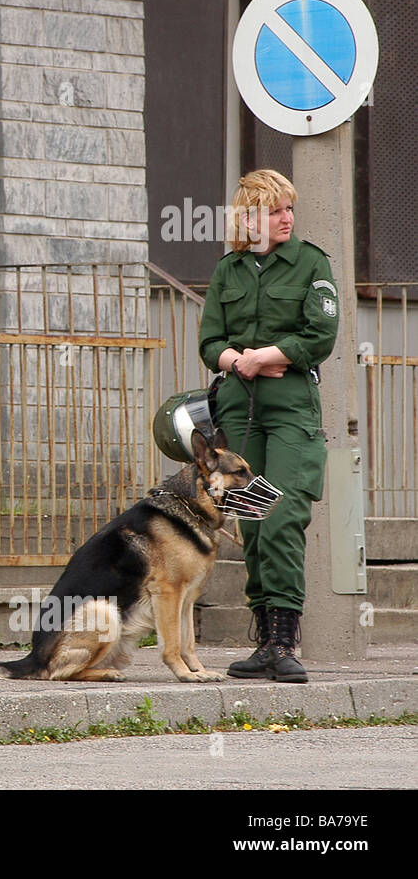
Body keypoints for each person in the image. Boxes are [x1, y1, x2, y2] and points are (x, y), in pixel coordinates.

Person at [198, 169, 339, 683]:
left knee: (281, 514)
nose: (287, 218)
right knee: (254, 524)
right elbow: (210, 341)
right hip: (239, 408)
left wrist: (271, 355)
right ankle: (263, 643)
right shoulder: (228, 271)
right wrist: (240, 362)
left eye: (289, 208)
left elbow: (321, 332)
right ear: (250, 219)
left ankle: (284, 642)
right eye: (275, 210)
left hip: (291, 409)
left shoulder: (310, 262)